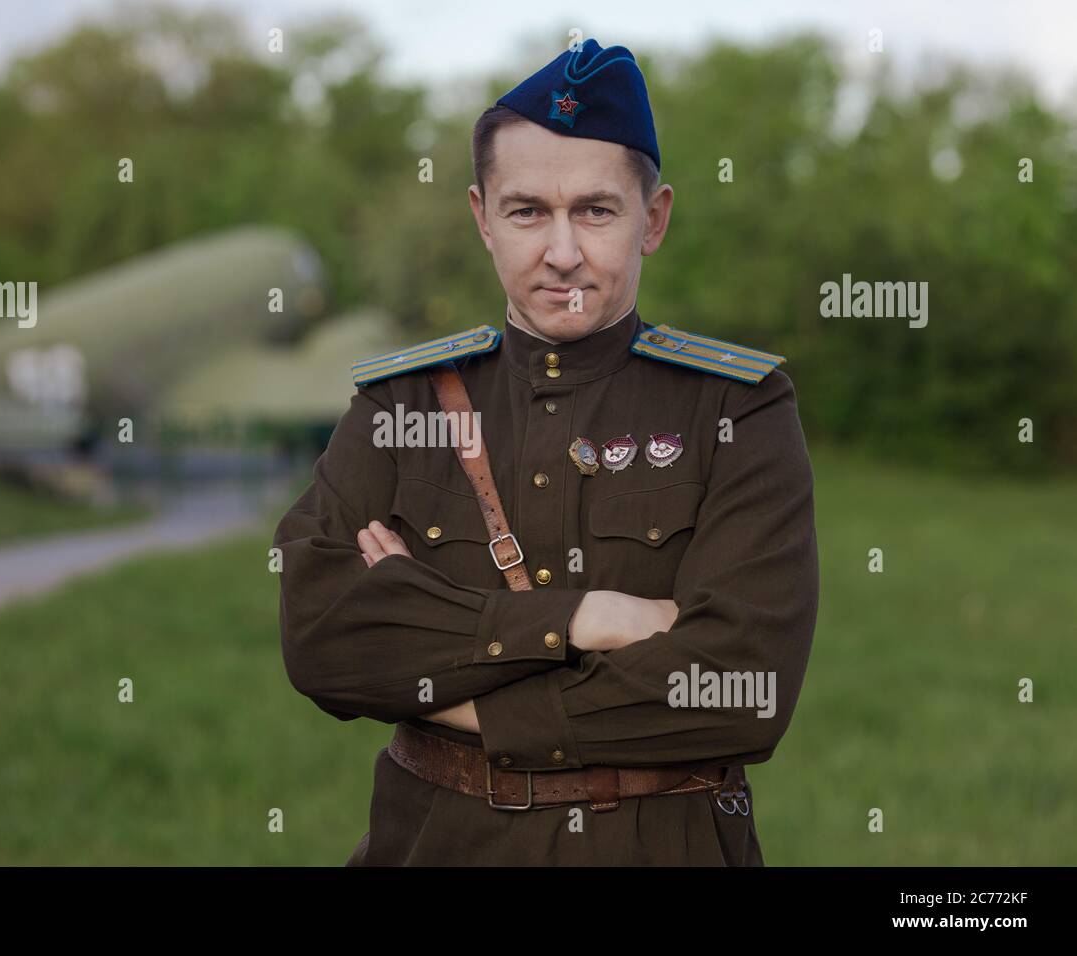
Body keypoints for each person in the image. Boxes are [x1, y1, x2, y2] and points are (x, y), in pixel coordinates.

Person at [272, 38, 819, 865]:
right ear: (481, 217)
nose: (562, 252)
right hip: (436, 844)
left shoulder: (736, 407)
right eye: (528, 210)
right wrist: (579, 619)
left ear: (654, 219)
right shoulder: (402, 403)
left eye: (595, 210)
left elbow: (744, 688)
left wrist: (476, 702)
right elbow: (322, 638)